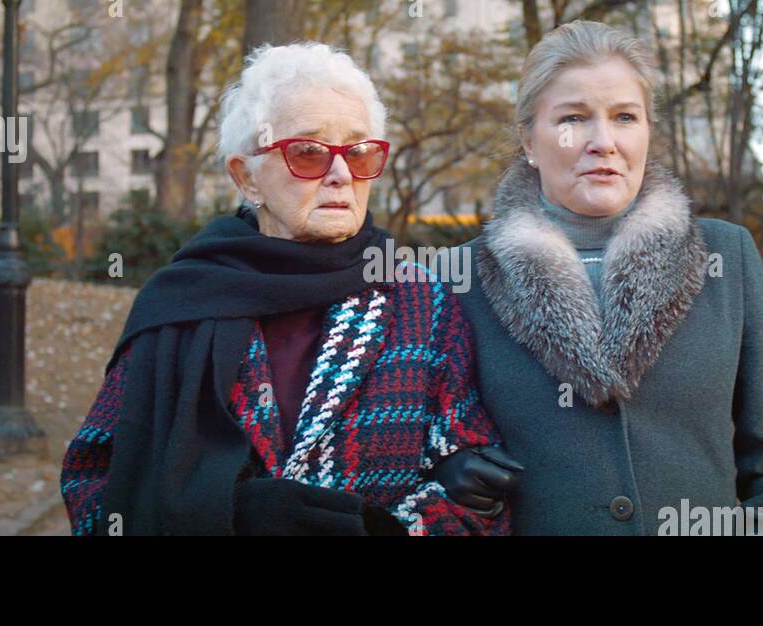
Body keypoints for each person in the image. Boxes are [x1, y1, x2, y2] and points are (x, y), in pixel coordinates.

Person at [60, 42, 518, 536]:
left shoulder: (419, 300)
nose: (341, 175)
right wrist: (226, 515)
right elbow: (92, 483)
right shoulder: (180, 301)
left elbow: (477, 504)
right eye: (308, 152)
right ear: (247, 177)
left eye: (359, 153)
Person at [455, 21, 763, 535]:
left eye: (624, 116)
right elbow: (426, 459)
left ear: (647, 132)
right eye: (573, 118)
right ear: (529, 140)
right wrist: (448, 476)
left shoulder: (726, 255)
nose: (602, 141)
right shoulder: (459, 279)